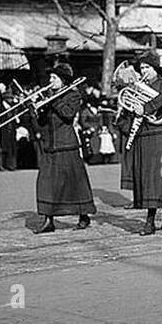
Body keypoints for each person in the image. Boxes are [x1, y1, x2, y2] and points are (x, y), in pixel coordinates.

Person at [119, 51, 162, 235]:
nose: (144, 71)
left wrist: (144, 108)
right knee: (147, 177)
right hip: (144, 134)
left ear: (155, 68)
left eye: (147, 67)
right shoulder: (139, 86)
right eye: (142, 68)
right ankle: (155, 215)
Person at [33, 61, 95, 233]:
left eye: (54, 78)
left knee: (74, 182)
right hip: (50, 145)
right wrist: (36, 108)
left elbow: (68, 114)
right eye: (50, 78)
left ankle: (83, 214)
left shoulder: (73, 95)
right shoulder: (49, 96)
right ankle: (48, 219)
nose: (50, 81)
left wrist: (51, 101)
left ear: (63, 80)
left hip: (67, 145)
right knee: (46, 183)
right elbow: (41, 123)